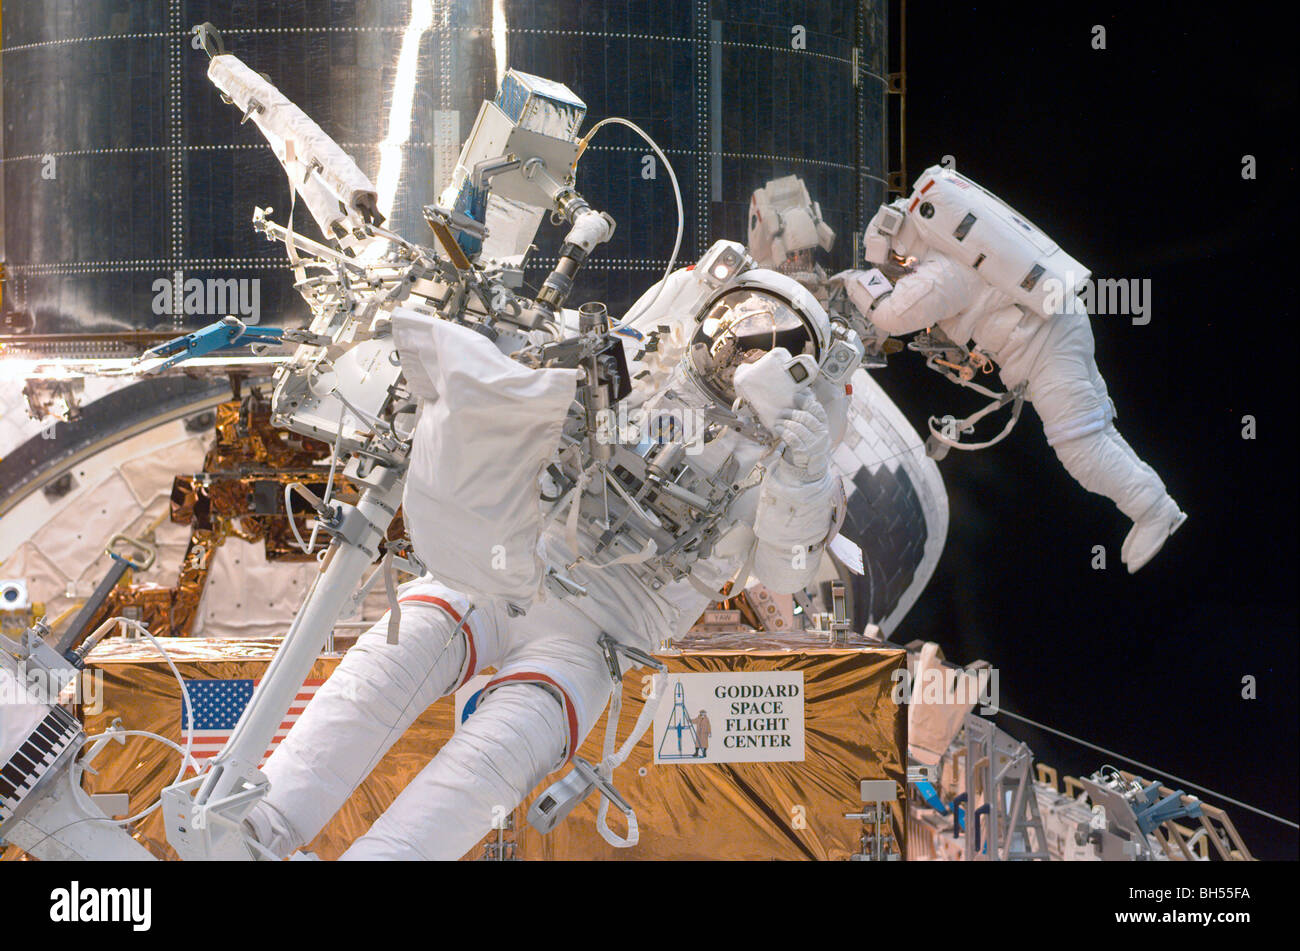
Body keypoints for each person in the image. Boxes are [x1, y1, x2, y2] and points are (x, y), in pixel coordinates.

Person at [241, 255, 853, 859]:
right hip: (507, 571)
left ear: (797, 364)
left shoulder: (793, 461)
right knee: (377, 675)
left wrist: (803, 471)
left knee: (486, 766)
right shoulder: (636, 359)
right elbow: (521, 359)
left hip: (600, 637)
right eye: (734, 323)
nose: (733, 347)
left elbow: (784, 569)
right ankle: (254, 828)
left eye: (762, 340)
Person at [840, 166, 1185, 573]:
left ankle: (1153, 510)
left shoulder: (947, 270)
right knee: (1097, 432)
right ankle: (1154, 504)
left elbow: (892, 316)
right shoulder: (959, 250)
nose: (903, 264)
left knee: (1078, 447)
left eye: (899, 257)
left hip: (1045, 346)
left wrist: (855, 281)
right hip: (1058, 327)